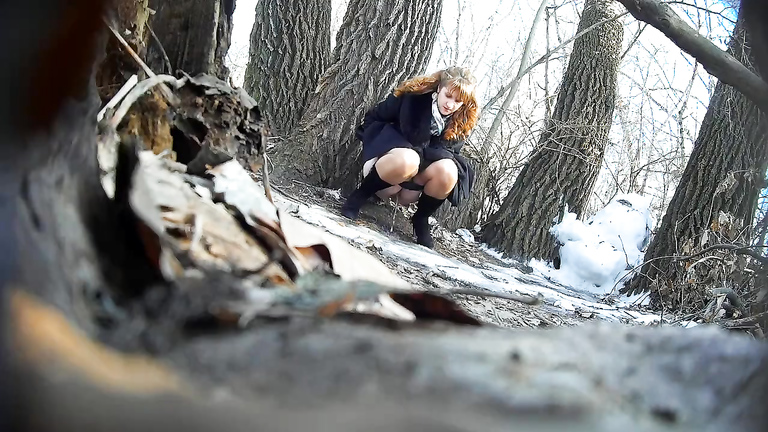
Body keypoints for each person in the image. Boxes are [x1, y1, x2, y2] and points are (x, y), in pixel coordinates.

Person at [341, 66, 479, 248]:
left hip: (411, 188)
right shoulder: (413, 98)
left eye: (458, 101)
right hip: (388, 168)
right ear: (439, 88)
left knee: (448, 170)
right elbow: (374, 118)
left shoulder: (461, 121)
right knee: (409, 159)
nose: (450, 104)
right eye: (448, 96)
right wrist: (383, 143)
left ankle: (421, 219)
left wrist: (425, 154)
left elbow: (448, 153)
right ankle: (359, 196)